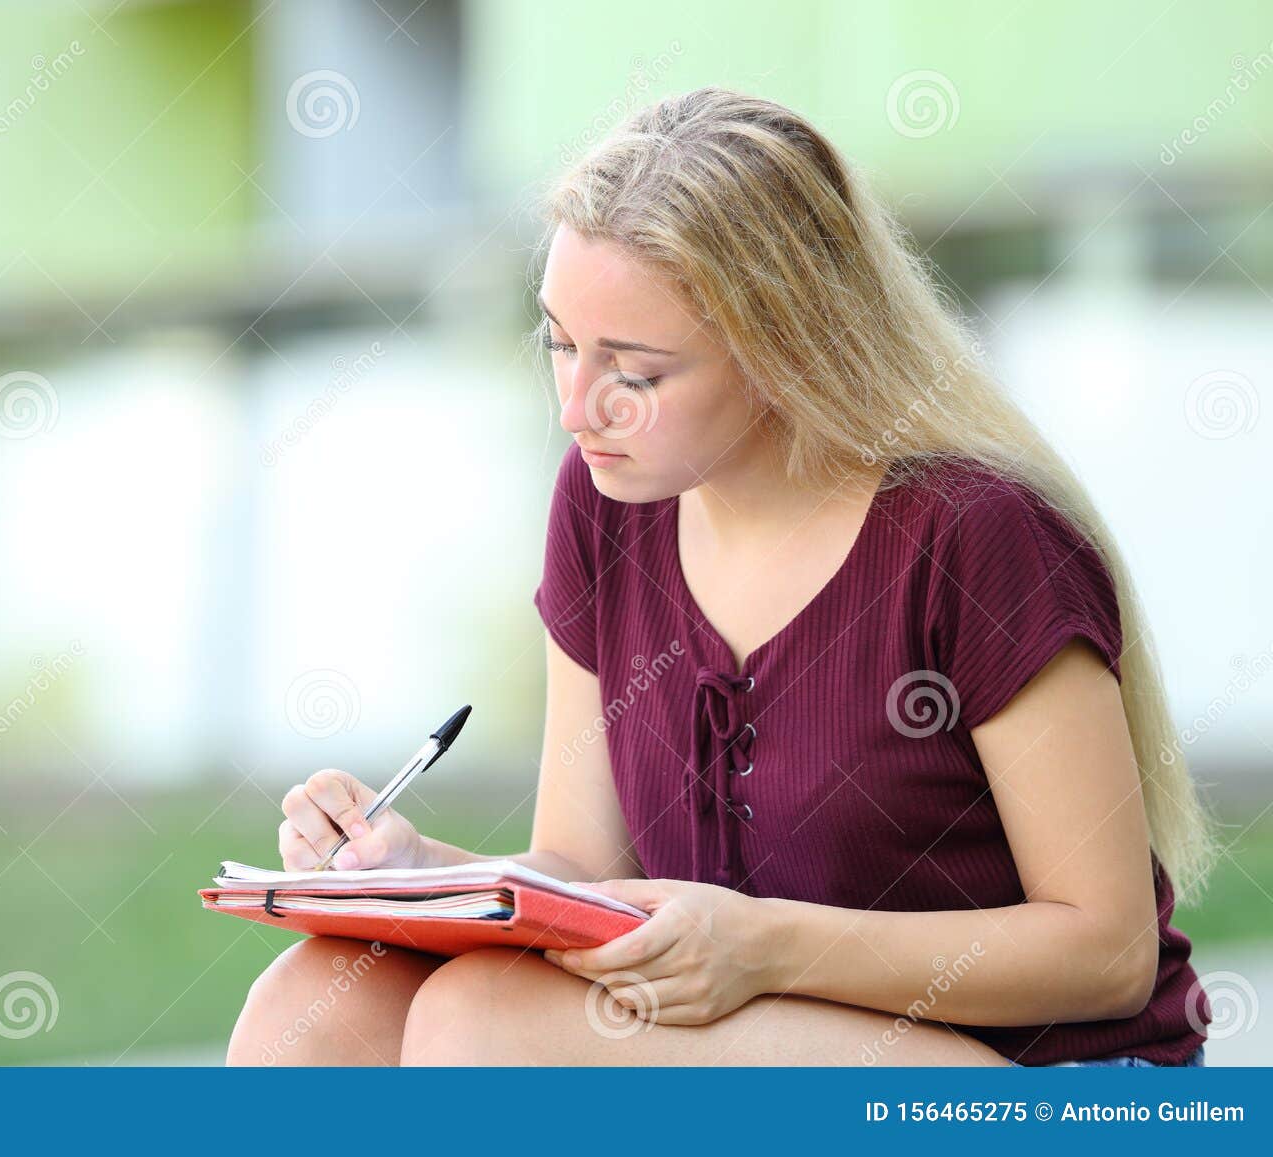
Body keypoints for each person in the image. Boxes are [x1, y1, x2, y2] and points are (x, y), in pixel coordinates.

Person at [225, 87, 1214, 1067]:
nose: (577, 409)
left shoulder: (975, 535)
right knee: (311, 1002)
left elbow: (1107, 952)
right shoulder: (604, 502)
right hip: (786, 1040)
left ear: (782, 349)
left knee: (486, 1020)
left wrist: (761, 943)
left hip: (1044, 1080)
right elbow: (583, 870)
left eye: (635, 373)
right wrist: (414, 873)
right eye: (559, 345)